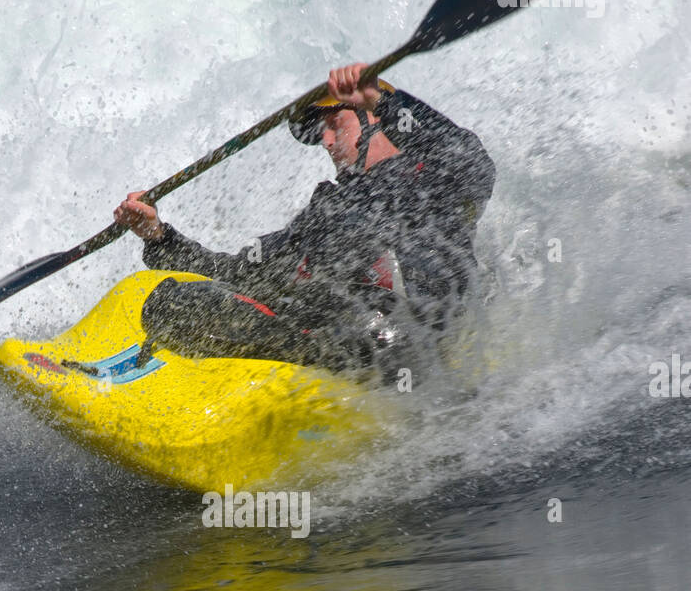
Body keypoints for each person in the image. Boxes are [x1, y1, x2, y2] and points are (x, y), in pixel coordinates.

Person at [113, 63, 495, 382]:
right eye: (320, 133)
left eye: (335, 124)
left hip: (408, 353)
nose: (327, 142)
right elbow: (236, 273)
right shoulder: (328, 211)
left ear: (374, 119)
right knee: (176, 299)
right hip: (329, 346)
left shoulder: (433, 178)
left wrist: (385, 101)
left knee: (356, 322)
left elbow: (473, 161)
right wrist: (158, 236)